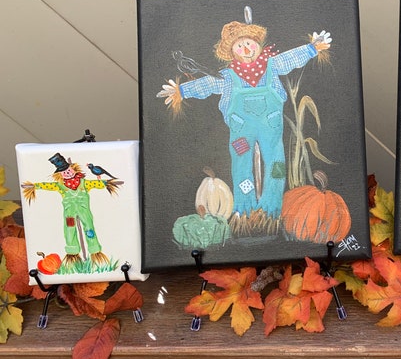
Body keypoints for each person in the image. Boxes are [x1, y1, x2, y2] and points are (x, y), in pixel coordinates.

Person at [157, 19, 331, 226]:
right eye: (240, 46)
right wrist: (181, 91)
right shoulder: (227, 76)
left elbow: (291, 58)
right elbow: (207, 84)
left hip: (271, 126)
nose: (246, 49)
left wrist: (313, 48)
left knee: (276, 164)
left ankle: (271, 209)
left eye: (249, 43)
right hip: (241, 129)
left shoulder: (272, 65)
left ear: (257, 44)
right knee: (241, 166)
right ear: (232, 52)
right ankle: (244, 209)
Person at [21, 153, 121, 265]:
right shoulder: (60, 186)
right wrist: (34, 186)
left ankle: (95, 252)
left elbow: (95, 183)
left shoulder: (84, 183)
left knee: (89, 229)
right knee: (70, 229)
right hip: (70, 214)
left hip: (84, 212)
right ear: (60, 175)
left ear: (73, 169)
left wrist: (107, 183)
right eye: (64, 172)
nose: (67, 173)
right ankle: (72, 253)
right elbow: (46, 185)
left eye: (68, 170)